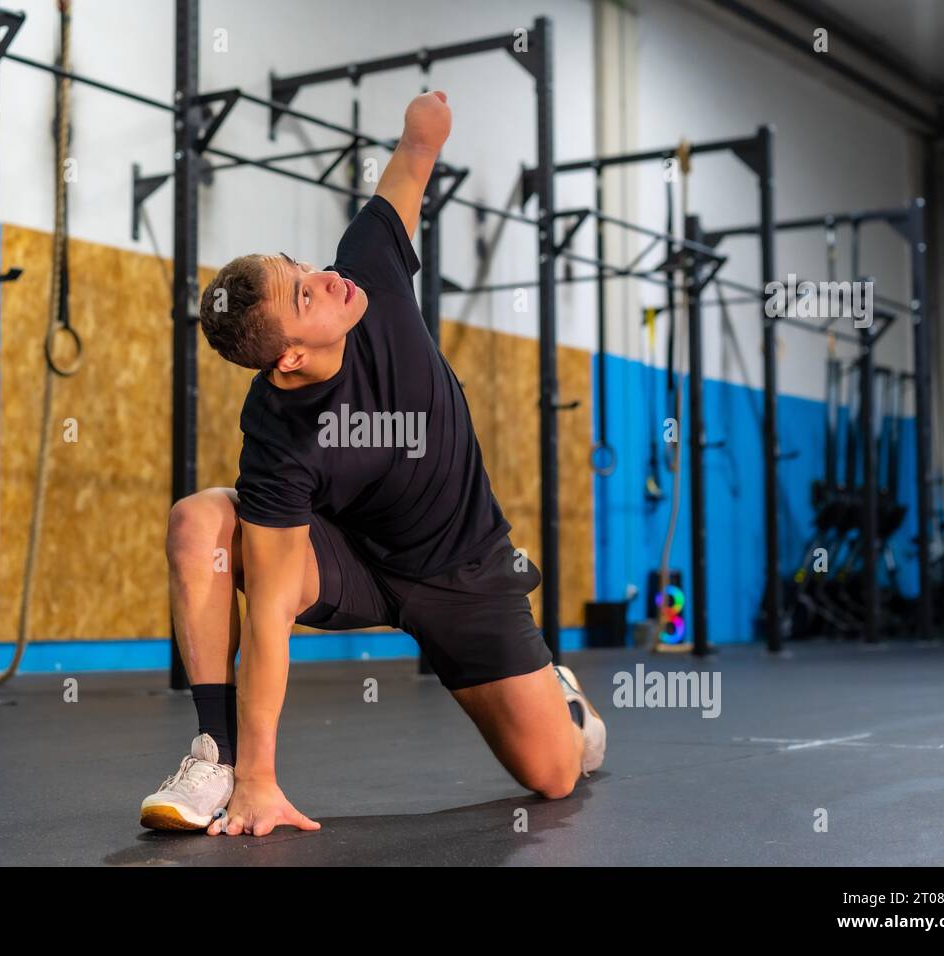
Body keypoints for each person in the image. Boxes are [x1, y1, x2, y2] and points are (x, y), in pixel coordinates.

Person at [140, 90, 605, 836]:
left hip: (465, 571)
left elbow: (410, 166)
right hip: (355, 563)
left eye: (301, 264)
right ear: (290, 357)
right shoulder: (276, 435)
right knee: (199, 524)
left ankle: (563, 699)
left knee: (557, 775)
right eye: (303, 292)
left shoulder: (370, 272)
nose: (323, 276)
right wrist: (260, 779)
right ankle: (214, 758)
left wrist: (423, 130)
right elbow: (267, 616)